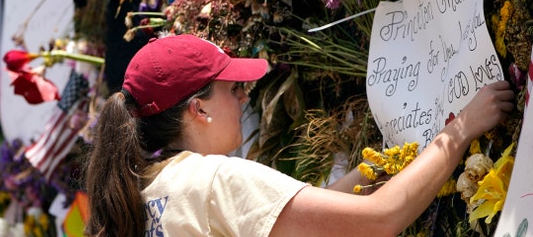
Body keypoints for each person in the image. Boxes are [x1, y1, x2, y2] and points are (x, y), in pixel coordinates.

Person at [84, 34, 515, 237]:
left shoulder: (147, 190)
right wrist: (460, 130)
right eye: (234, 89)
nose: (244, 98)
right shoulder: (214, 179)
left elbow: (298, 211)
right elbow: (382, 218)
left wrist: (376, 168)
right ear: (198, 109)